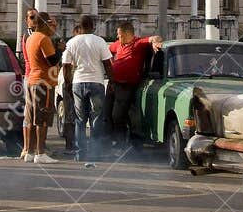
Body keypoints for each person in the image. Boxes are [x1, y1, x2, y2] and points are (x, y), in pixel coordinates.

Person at [60, 15, 114, 165]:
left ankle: (80, 154)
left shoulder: (72, 42)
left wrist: (68, 83)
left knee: (80, 120)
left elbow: (65, 65)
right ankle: (95, 152)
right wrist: (112, 82)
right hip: (96, 82)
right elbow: (107, 64)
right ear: (93, 26)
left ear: (80, 26)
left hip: (78, 82)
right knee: (96, 118)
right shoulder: (100, 41)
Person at [106, 23, 162, 148]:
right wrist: (111, 64)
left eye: (119, 35)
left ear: (127, 34)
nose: (117, 37)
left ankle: (122, 145)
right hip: (113, 83)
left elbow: (155, 38)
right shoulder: (118, 44)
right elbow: (107, 51)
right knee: (107, 114)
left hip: (126, 85)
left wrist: (155, 42)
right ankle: (113, 142)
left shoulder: (138, 44)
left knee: (118, 116)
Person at [22, 12, 58, 164]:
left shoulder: (30, 38)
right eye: (52, 25)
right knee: (42, 120)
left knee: (31, 119)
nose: (54, 29)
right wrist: (60, 50)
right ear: (45, 24)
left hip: (32, 81)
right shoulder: (44, 39)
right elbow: (52, 61)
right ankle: (40, 153)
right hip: (43, 83)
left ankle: (30, 151)